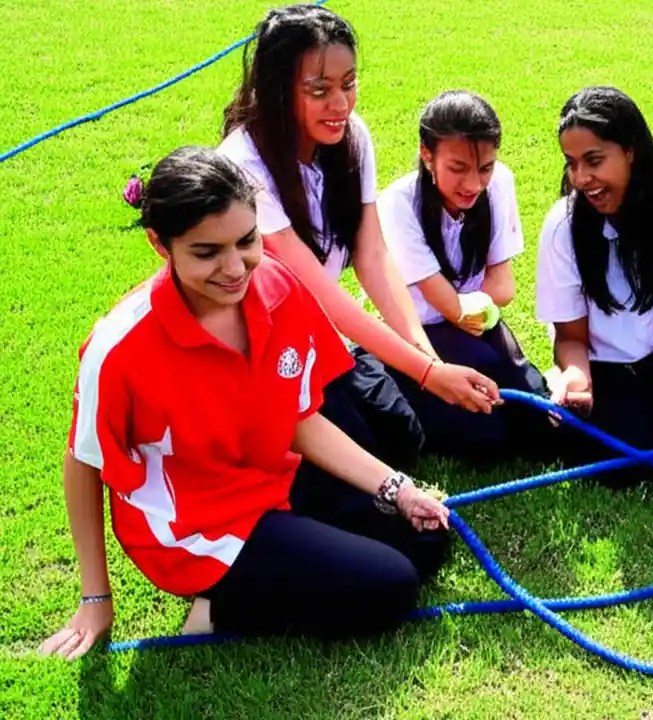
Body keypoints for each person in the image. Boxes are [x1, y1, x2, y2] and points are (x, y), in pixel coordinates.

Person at [39, 148, 451, 660]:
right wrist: (95, 599)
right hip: (195, 525)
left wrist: (398, 487)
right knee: (390, 584)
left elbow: (301, 418)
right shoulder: (119, 346)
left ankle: (273, 565)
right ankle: (218, 603)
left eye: (247, 241)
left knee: (428, 537)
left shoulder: (278, 284)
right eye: (207, 252)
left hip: (268, 481)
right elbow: (84, 461)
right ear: (160, 245)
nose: (235, 268)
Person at [217, 4, 499, 482]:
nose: (341, 105)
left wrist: (427, 359)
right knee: (363, 458)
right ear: (278, 90)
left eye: (348, 84)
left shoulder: (353, 139)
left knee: (410, 437)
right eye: (319, 90)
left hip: (327, 337)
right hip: (270, 350)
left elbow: (372, 256)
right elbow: (315, 293)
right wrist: (429, 375)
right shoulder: (244, 163)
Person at [535, 86, 653, 484]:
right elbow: (570, 337)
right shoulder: (562, 225)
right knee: (614, 463)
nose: (582, 178)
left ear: (631, 150)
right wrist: (578, 380)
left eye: (594, 161)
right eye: (572, 163)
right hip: (600, 366)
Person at [379, 90, 549, 459]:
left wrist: (477, 312)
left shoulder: (500, 182)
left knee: (539, 422)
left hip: (478, 319)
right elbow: (443, 301)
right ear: (427, 155)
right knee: (484, 441)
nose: (473, 184)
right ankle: (393, 376)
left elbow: (503, 285)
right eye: (458, 168)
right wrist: (469, 311)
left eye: (484, 168)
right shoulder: (398, 203)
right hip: (421, 330)